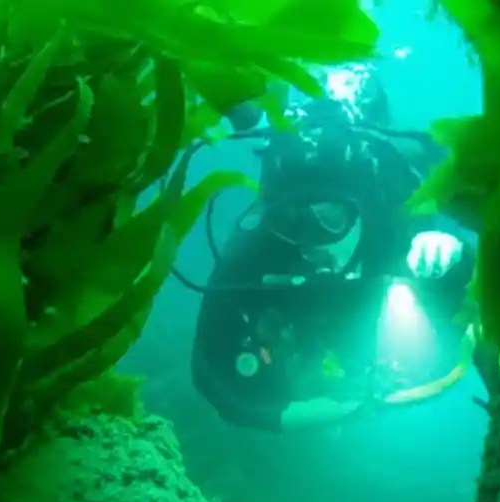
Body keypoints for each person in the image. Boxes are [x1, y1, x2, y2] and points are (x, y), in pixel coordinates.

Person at [190, 63, 476, 431]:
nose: (310, 238)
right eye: (290, 219)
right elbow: (209, 373)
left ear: (364, 214)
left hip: (359, 328)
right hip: (311, 369)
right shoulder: (261, 246)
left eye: (329, 217)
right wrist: (316, 414)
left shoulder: (394, 234)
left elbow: (473, 318)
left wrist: (456, 260)